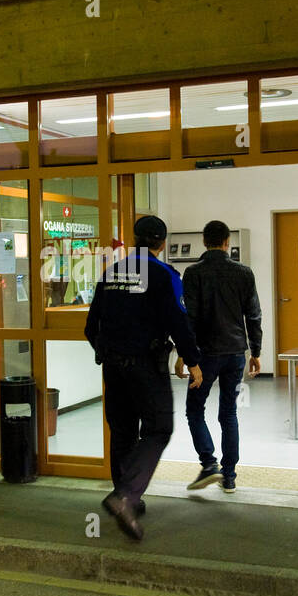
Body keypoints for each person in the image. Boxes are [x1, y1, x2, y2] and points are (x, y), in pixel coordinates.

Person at [85, 215, 202, 540]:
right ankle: (125, 497)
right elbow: (179, 322)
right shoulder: (164, 274)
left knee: (122, 430)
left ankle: (127, 497)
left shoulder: (111, 273)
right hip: (145, 366)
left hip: (113, 366)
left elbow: (90, 326)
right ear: (161, 243)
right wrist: (192, 360)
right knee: (158, 427)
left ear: (134, 238)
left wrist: (105, 352)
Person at [177, 220, 262, 494]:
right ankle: (229, 477)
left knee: (194, 410)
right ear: (228, 242)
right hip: (235, 354)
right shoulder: (244, 273)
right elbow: (254, 315)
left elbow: (188, 318)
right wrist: (256, 352)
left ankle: (209, 463)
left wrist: (184, 355)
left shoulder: (192, 273)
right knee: (229, 413)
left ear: (204, 241)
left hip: (204, 356)